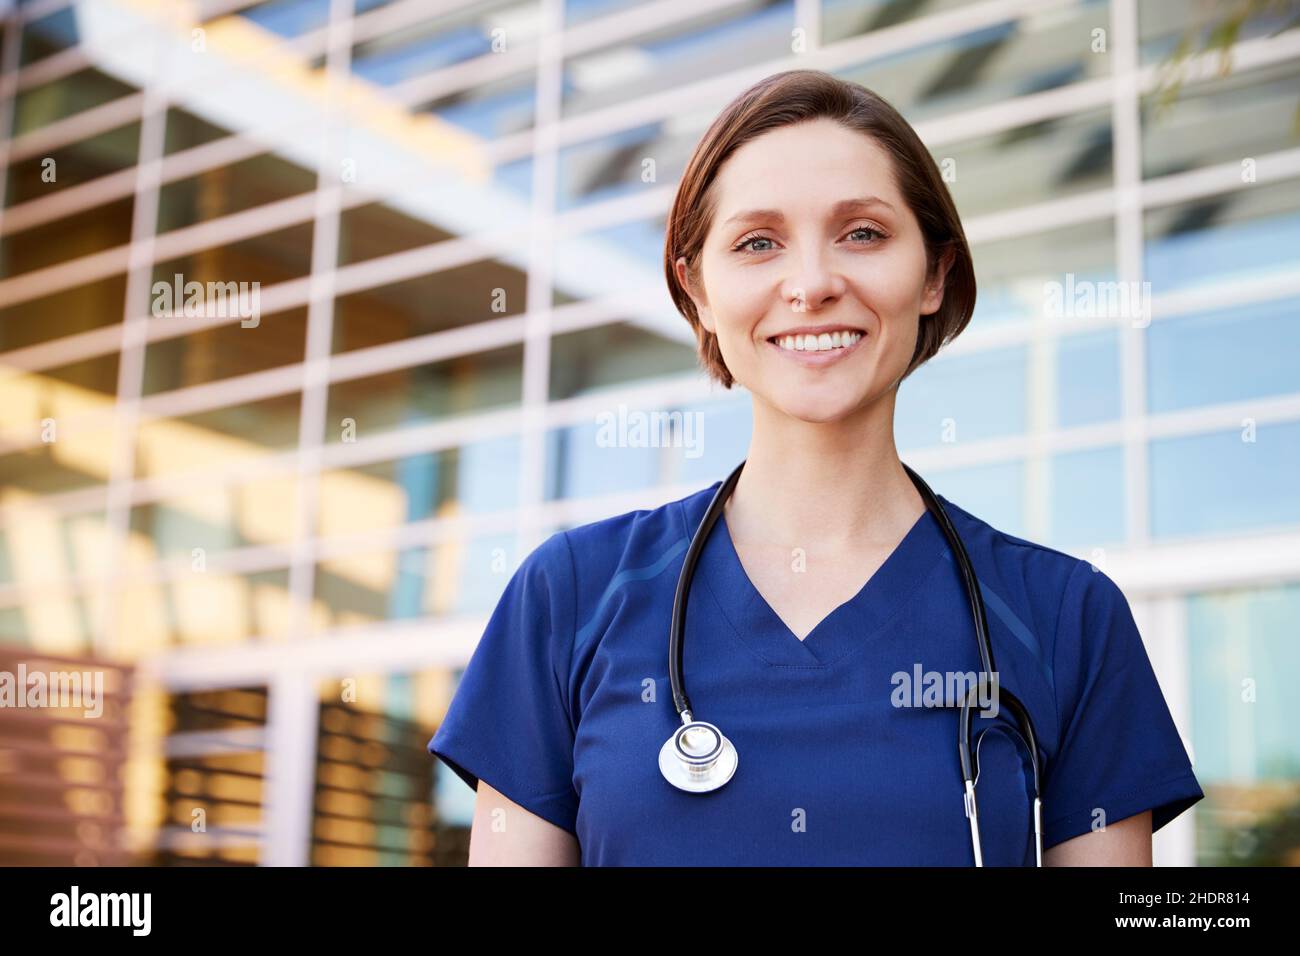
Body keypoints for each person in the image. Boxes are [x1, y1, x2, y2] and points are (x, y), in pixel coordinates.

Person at [427, 69, 1204, 866]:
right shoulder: (569, 597)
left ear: (934, 273)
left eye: (863, 233)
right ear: (696, 290)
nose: (811, 285)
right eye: (758, 242)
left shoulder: (1064, 616)